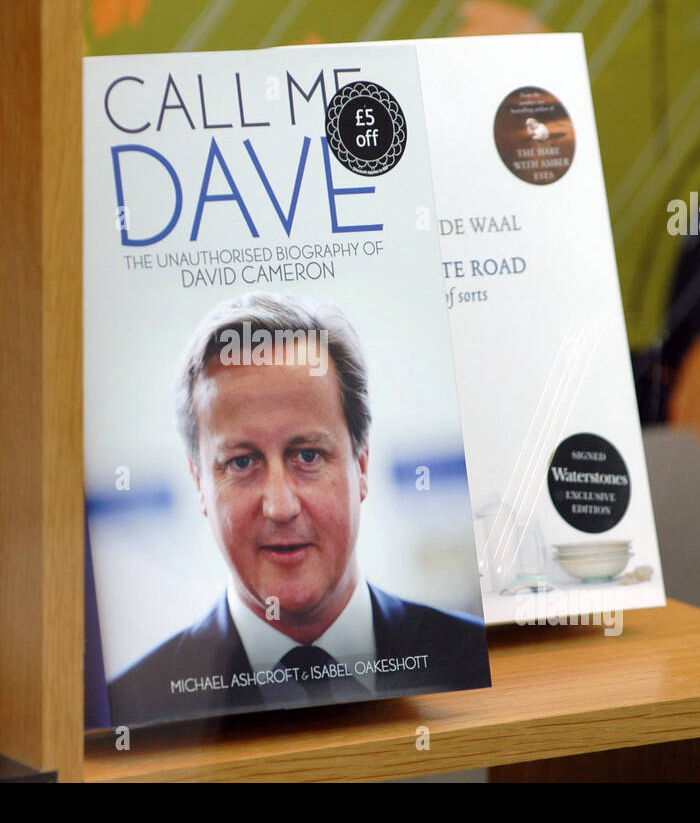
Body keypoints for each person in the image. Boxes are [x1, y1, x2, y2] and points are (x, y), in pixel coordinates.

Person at [107, 292, 489, 726]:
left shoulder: (470, 658)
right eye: (242, 462)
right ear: (200, 484)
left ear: (361, 465)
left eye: (307, 455)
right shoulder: (135, 708)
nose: (280, 506)